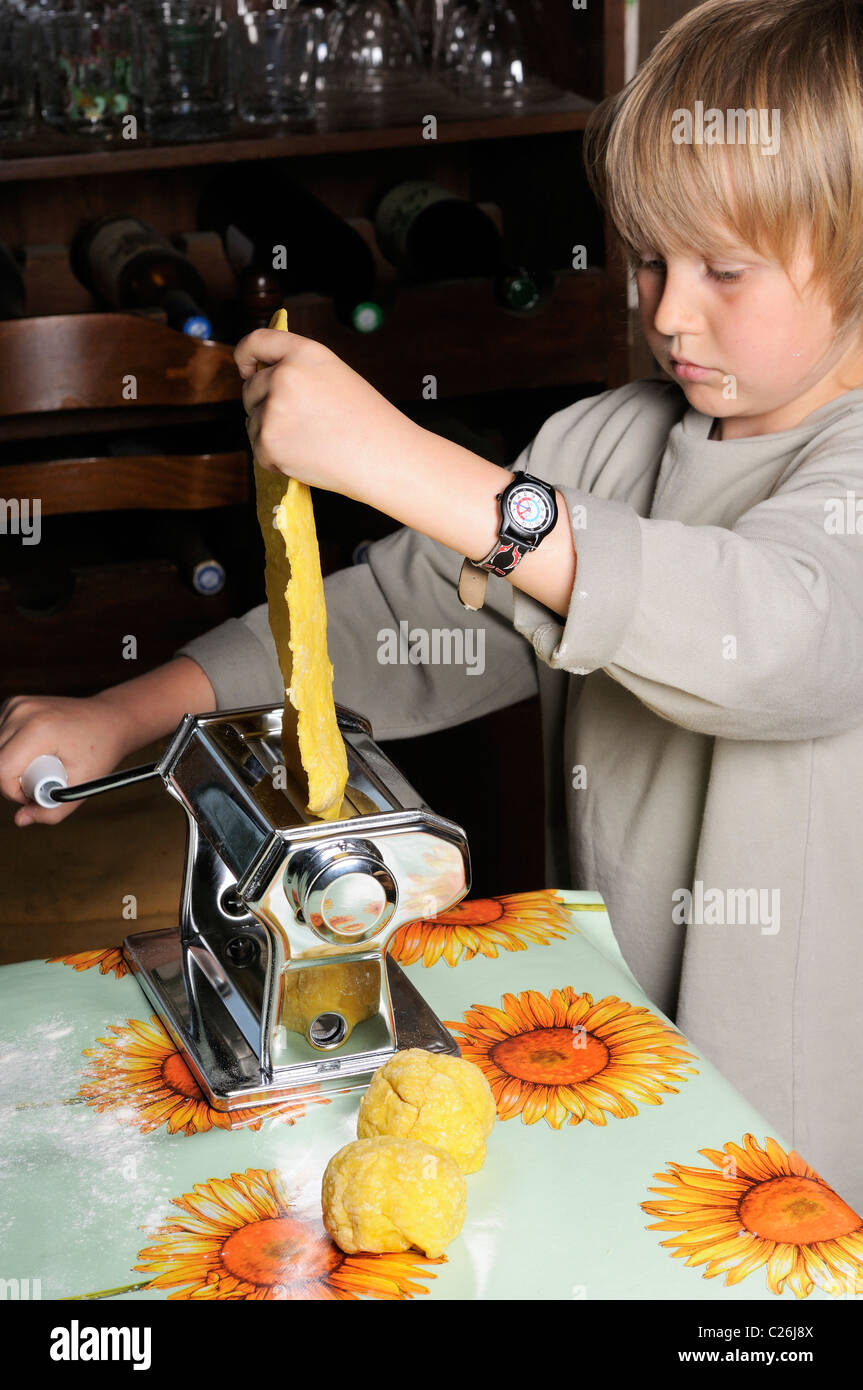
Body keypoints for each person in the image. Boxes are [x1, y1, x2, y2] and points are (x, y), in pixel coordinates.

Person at [3, 0, 863, 1210]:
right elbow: (385, 628)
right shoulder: (608, 442)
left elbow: (771, 636)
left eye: (723, 271)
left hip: (808, 1146)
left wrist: (402, 461)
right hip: (612, 1071)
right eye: (654, 261)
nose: (666, 314)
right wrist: (128, 710)